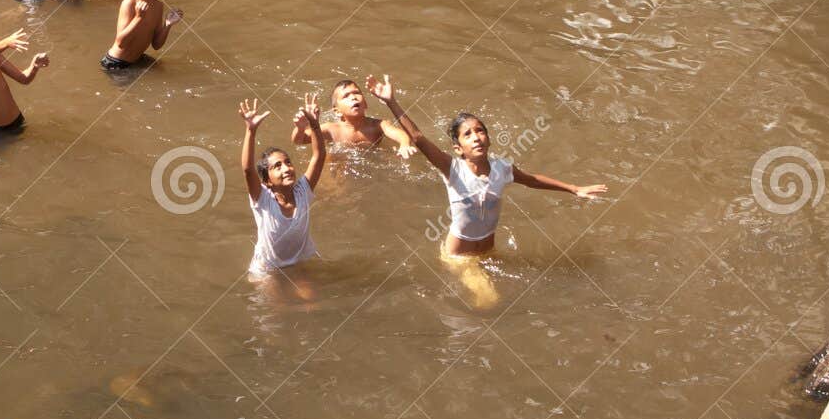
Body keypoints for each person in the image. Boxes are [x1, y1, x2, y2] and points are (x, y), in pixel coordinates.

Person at [366, 74, 608, 305]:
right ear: (458, 148)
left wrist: (574, 189)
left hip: (489, 250)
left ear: (489, 139)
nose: (476, 137)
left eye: (480, 131)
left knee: (524, 289)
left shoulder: (502, 168)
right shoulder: (452, 169)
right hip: (459, 257)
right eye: (468, 134)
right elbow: (417, 138)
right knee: (489, 300)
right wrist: (391, 102)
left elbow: (532, 179)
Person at [240, 94, 325, 276]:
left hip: (299, 263)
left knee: (310, 303)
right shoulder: (262, 199)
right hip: (267, 270)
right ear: (268, 181)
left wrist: (314, 124)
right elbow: (248, 170)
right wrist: (251, 131)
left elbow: (319, 156)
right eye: (277, 167)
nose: (286, 168)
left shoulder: (303, 190)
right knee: (276, 305)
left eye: (287, 162)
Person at [292, 78, 416, 159]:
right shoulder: (331, 130)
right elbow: (299, 141)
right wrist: (300, 127)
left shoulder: (378, 126)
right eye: (346, 96)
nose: (353, 97)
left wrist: (404, 144)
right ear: (337, 111)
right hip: (338, 168)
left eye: (357, 93)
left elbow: (401, 134)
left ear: (366, 104)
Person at [102, 0, 181, 73]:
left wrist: (168, 24)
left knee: (162, 71)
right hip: (116, 63)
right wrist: (138, 18)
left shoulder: (159, 6)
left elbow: (156, 44)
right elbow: (121, 43)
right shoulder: (129, 3)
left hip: (138, 59)